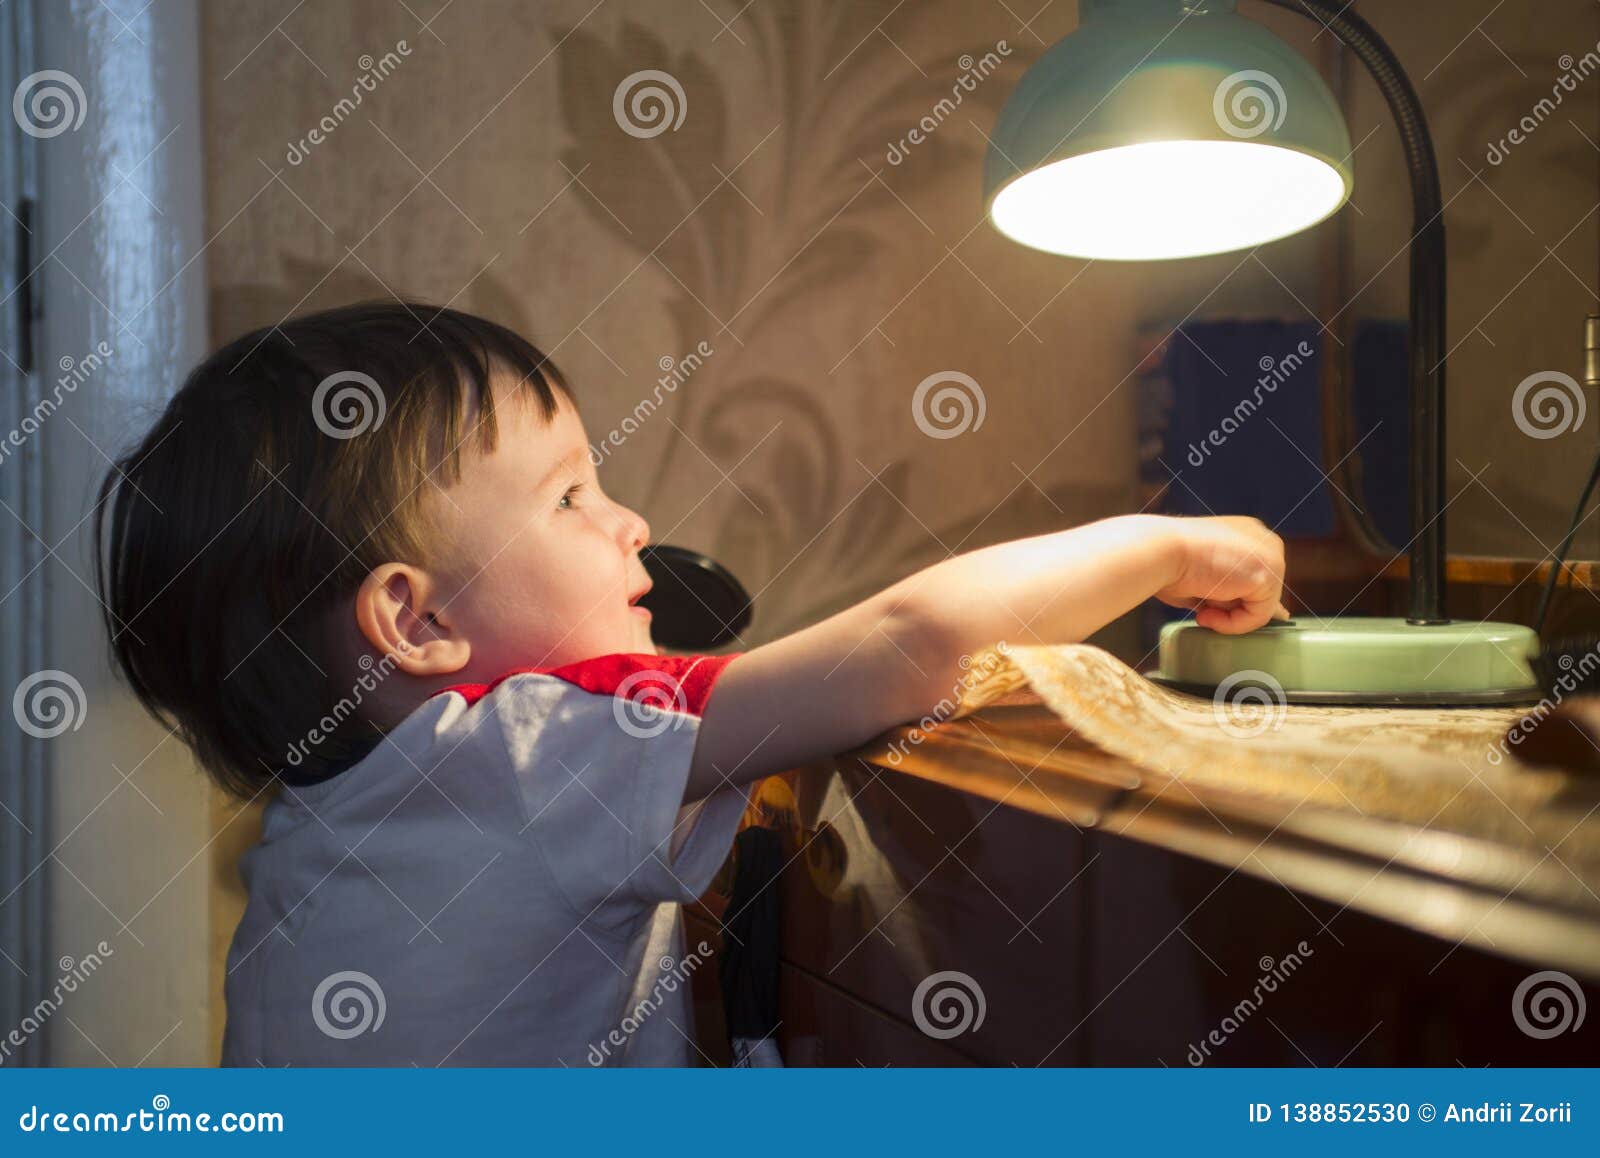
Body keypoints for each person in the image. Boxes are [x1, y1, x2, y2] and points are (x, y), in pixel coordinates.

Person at [94, 302, 1287, 1066]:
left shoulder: (314, 838)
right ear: (416, 622)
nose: (629, 524)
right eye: (570, 497)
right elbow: (904, 642)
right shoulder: (531, 749)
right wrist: (1165, 548)